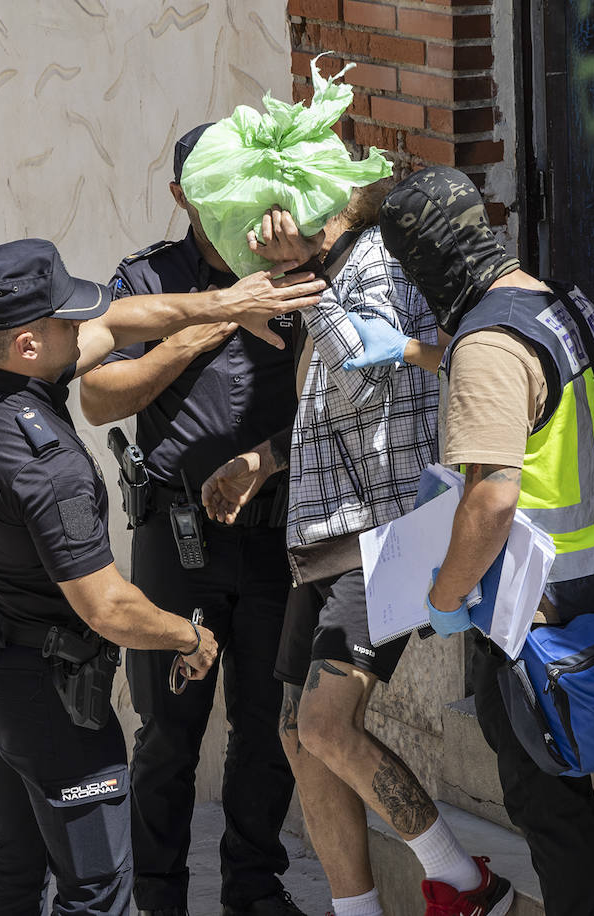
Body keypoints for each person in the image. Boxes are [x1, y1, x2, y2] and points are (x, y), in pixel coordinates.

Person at [0, 237, 326, 915]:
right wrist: (186, 637)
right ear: (28, 342)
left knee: (18, 864)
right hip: (51, 689)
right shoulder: (47, 465)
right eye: (64, 320)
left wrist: (223, 304)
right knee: (95, 891)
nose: (81, 327)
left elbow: (115, 324)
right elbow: (107, 605)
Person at [202, 181, 513, 916]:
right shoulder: (339, 271)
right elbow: (337, 412)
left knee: (324, 724)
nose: (271, 223)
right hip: (325, 532)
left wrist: (302, 288)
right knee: (296, 734)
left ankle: (467, 885)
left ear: (336, 204)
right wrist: (264, 460)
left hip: (382, 534)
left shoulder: (377, 262)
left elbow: (372, 374)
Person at [376, 165, 594, 916]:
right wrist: (418, 355)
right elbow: (537, 386)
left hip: (535, 609)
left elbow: (492, 500)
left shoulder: (486, 346)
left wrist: (444, 594)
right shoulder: (559, 302)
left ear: (427, 262)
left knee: (547, 797)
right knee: (563, 779)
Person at [78, 124, 303, 916]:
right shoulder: (148, 280)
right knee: (170, 731)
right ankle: (158, 896)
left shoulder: (293, 268)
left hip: (279, 535)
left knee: (265, 726)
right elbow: (99, 395)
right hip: (181, 540)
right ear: (183, 197)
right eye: (215, 189)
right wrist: (198, 331)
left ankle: (253, 887)